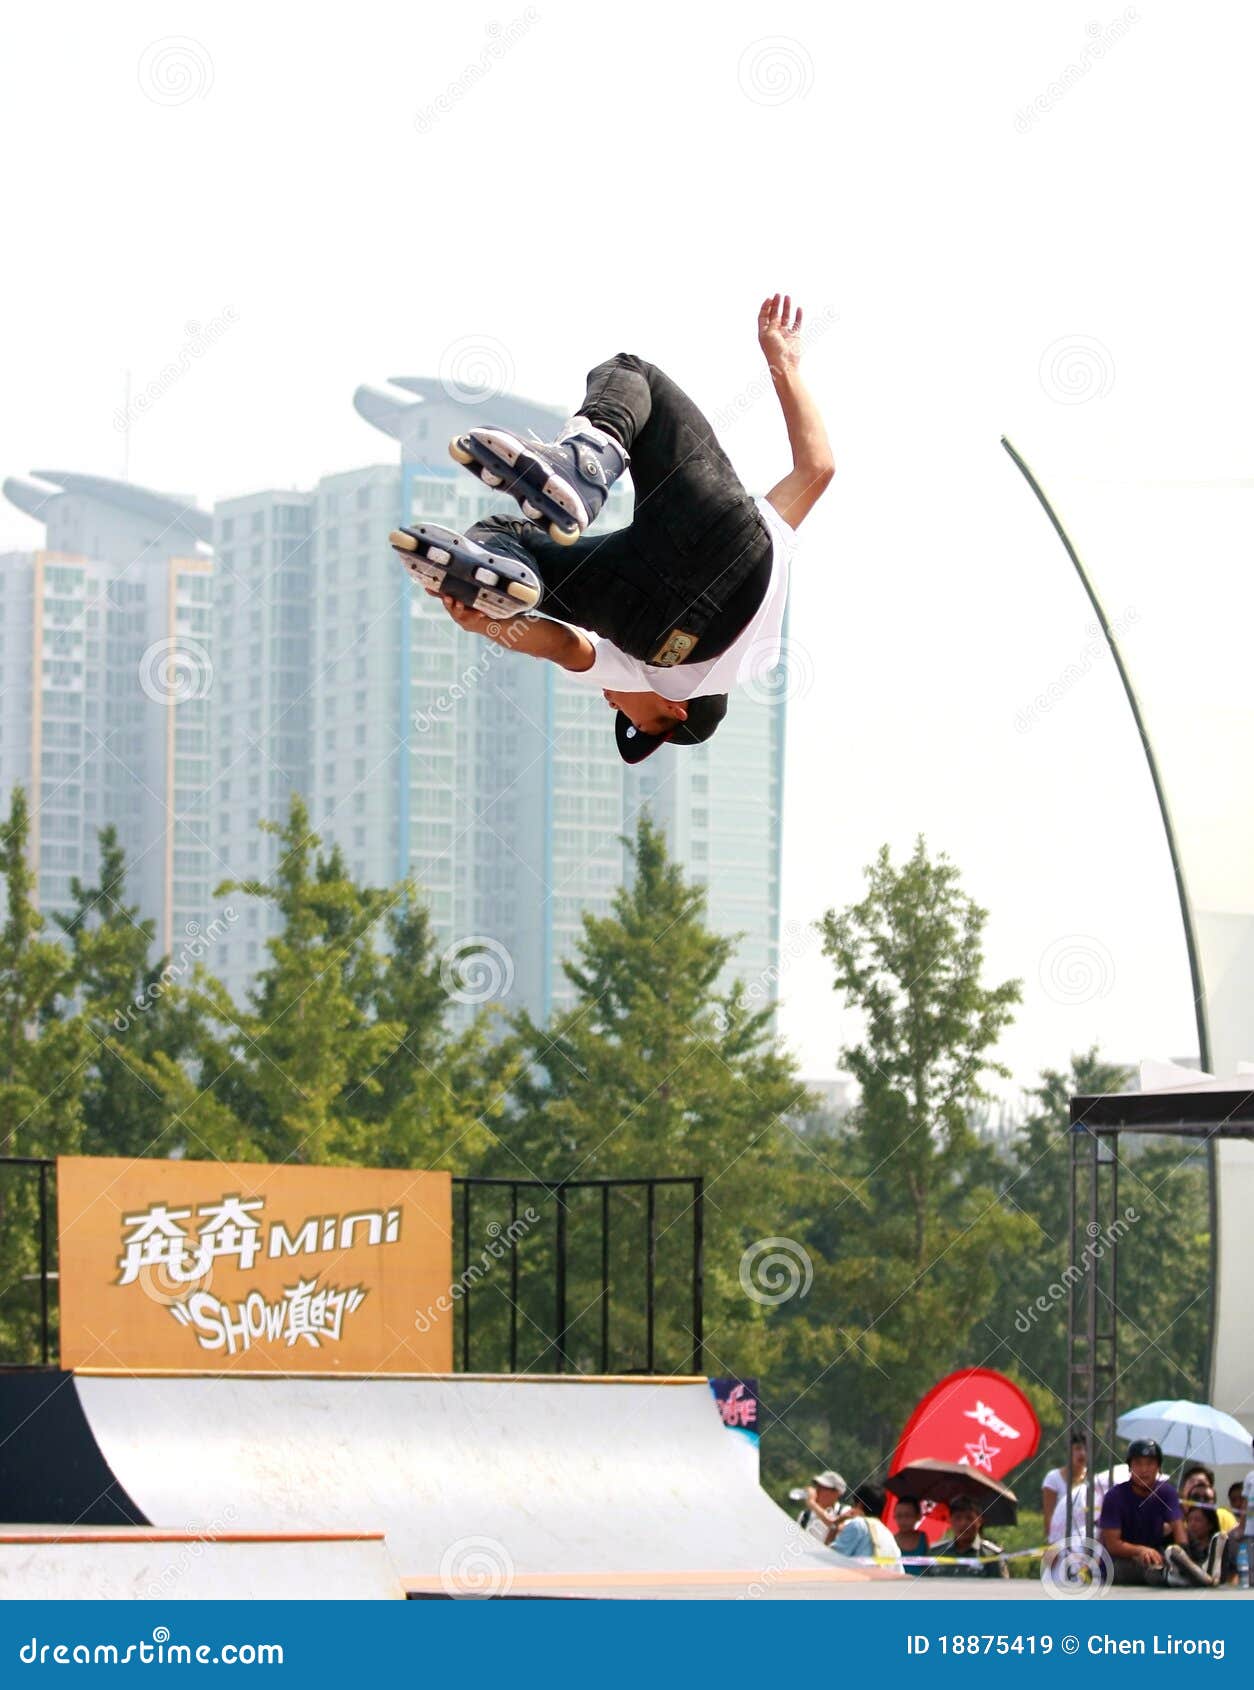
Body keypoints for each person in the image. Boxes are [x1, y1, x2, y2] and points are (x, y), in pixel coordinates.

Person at [391, 295, 834, 765]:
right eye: (633, 720)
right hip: (661, 619)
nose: (611, 702)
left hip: (735, 551)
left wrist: (784, 366)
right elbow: (563, 645)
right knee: (518, 538)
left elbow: (818, 468)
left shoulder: (755, 659)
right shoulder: (649, 676)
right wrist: (490, 625)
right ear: (675, 710)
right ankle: (525, 552)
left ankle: (579, 473)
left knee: (633, 377)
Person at [1098, 1438, 1186, 1585]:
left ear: (1158, 1467)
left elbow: (1179, 1530)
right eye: (1138, 1464)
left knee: (1174, 1557)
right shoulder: (1114, 1496)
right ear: (1130, 1467)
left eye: (1150, 1464)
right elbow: (1113, 1545)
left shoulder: (1167, 1492)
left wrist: (1184, 1554)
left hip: (1155, 1557)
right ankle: (1167, 1575)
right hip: (1119, 1561)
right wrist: (1140, 1550)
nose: (1144, 1470)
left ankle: (1189, 1570)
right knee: (1130, 1568)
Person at [929, 1495, 1010, 1578]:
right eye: (958, 1518)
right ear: (950, 1520)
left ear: (980, 1521)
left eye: (969, 1518)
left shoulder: (992, 1555)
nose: (963, 1523)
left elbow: (1001, 1589)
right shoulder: (935, 1553)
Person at [829, 1485, 903, 1571]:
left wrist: (834, 1525)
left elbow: (831, 1559)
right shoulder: (888, 1534)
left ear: (859, 1505)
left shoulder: (858, 1524)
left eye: (854, 1504)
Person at [798, 1470, 848, 1547]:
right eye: (817, 1486)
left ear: (836, 1492)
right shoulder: (805, 1515)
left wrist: (812, 1503)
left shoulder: (845, 1511)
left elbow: (837, 1527)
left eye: (823, 1488)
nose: (817, 1490)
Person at [893, 1495, 930, 1572]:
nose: (903, 1521)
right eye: (899, 1516)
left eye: (908, 1515)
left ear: (918, 1516)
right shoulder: (891, 1541)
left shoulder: (922, 1537)